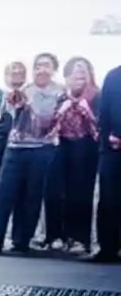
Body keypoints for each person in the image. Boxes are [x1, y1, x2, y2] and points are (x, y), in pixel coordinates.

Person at [0, 53, 64, 254]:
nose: (41, 70)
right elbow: (7, 115)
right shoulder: (23, 90)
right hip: (15, 148)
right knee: (4, 194)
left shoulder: (60, 93)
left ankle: (22, 241)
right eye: (37, 66)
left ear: (54, 70)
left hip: (42, 149)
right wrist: (16, 104)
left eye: (46, 66)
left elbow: (49, 120)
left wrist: (29, 106)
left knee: (32, 196)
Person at [43, 57, 100, 255]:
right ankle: (54, 236)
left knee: (81, 193)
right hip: (61, 146)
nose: (79, 76)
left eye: (83, 72)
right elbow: (47, 127)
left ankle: (80, 238)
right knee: (54, 191)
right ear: (66, 77)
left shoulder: (97, 97)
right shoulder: (60, 97)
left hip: (86, 148)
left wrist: (86, 110)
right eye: (75, 73)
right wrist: (61, 111)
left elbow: (99, 129)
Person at [89, 62, 121, 263]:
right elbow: (104, 113)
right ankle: (107, 248)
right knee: (109, 200)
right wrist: (107, 141)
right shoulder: (113, 76)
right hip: (112, 149)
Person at [0, 62, 25, 185]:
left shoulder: (30, 93)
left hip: (24, 144)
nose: (17, 75)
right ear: (5, 76)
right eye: (13, 72)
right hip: (0, 143)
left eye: (20, 73)